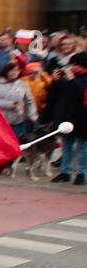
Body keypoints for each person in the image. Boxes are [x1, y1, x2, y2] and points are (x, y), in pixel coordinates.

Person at [47, 52, 87, 184]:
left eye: (75, 65)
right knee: (66, 146)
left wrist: (72, 79)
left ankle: (81, 173)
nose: (72, 67)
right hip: (67, 117)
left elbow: (81, 92)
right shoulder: (71, 78)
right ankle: (65, 172)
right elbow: (56, 94)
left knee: (82, 147)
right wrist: (56, 81)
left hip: (82, 119)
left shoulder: (81, 79)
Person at [0, 59, 37, 140]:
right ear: (6, 71)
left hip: (17, 120)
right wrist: (8, 104)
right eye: (12, 70)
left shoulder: (23, 84)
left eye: (17, 70)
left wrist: (32, 115)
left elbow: (30, 101)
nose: (14, 72)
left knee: (15, 143)